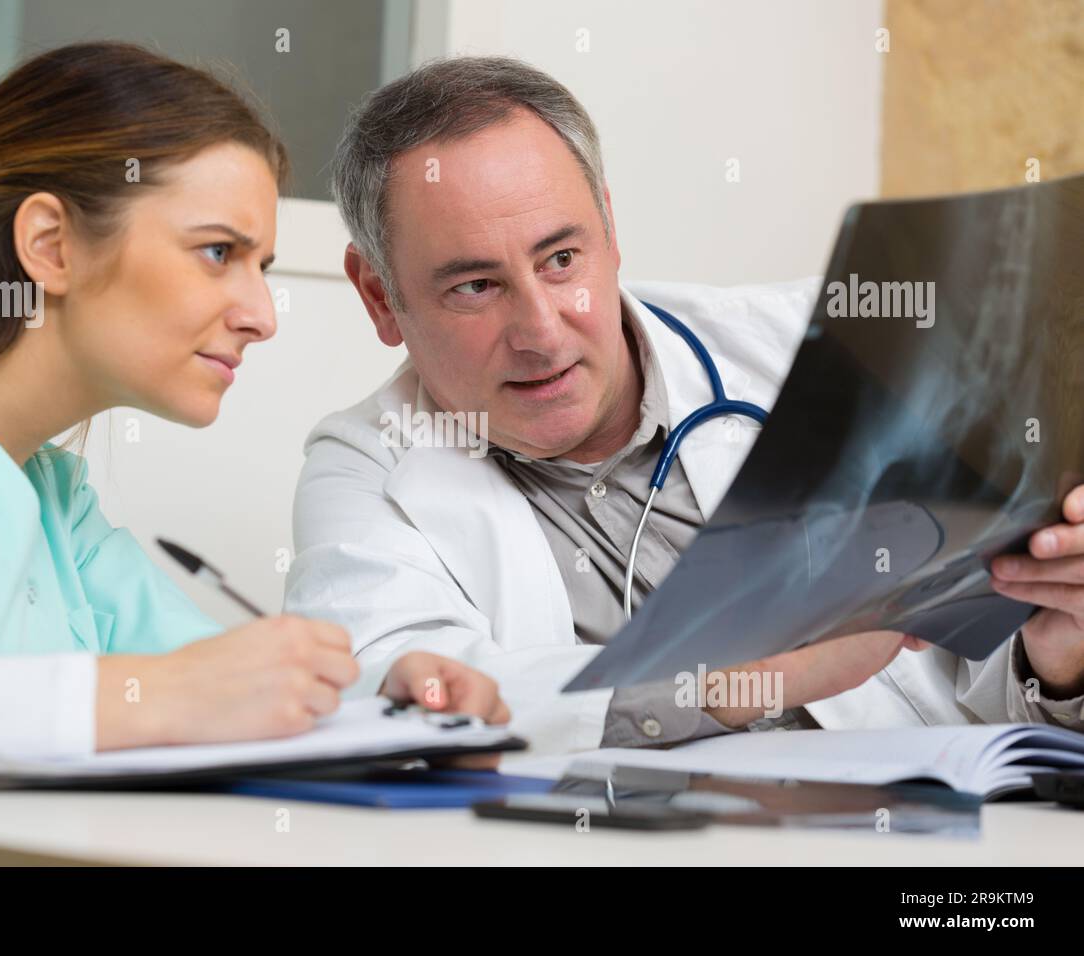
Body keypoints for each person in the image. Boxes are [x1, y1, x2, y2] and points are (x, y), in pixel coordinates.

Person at [0, 42, 506, 865]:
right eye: (217, 253)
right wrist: (151, 700)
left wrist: (385, 710)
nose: (262, 314)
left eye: (260, 265)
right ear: (51, 246)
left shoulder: (54, 499)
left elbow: (216, 692)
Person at [284, 55, 1084, 754]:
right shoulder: (368, 468)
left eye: (562, 258)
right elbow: (402, 701)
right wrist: (738, 680)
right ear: (379, 296)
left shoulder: (828, 346)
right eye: (475, 286)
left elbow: (983, 700)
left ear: (611, 228)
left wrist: (1056, 657)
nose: (540, 329)